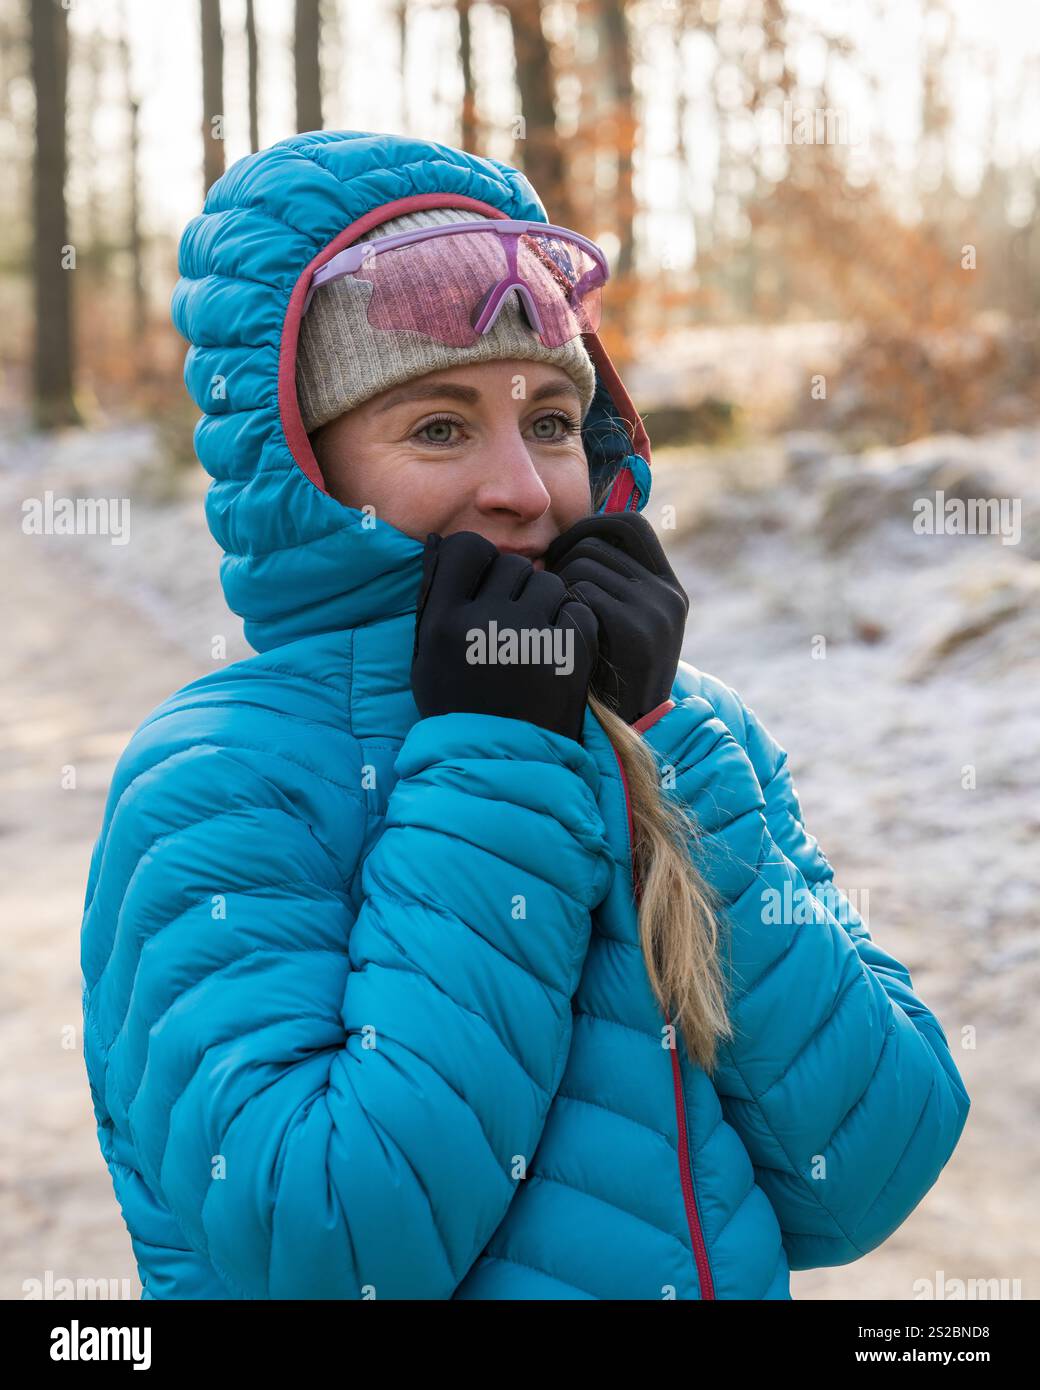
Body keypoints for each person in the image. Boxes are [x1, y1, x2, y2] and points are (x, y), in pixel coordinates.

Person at [79, 130, 970, 1301]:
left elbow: (864, 1173)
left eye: (549, 419)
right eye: (439, 427)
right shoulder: (215, 782)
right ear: (306, 467)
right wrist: (496, 751)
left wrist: (657, 737)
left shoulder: (679, 728)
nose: (522, 487)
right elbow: (332, 1249)